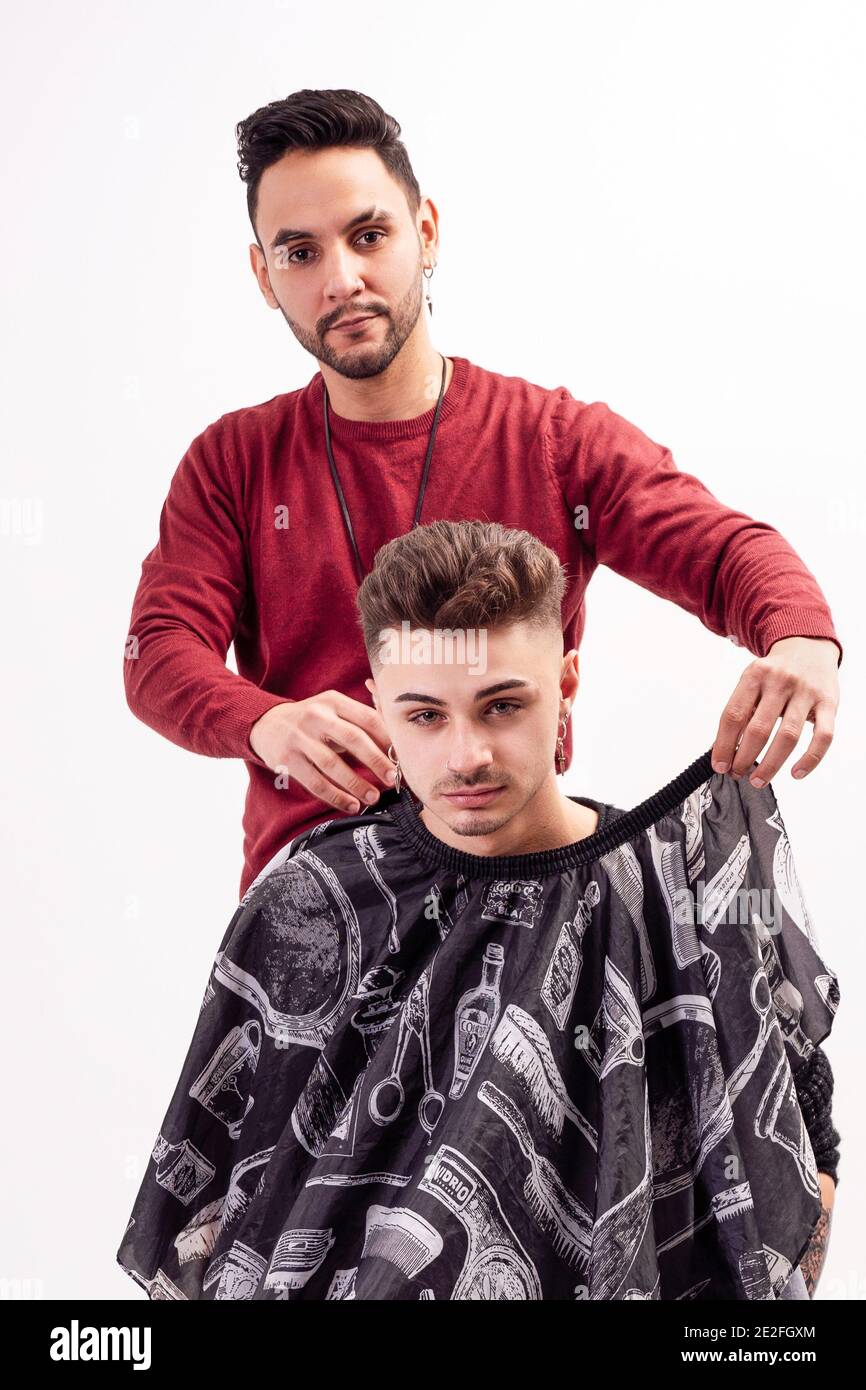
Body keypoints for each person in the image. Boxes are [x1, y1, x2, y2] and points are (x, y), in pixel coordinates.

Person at [122, 88, 843, 908]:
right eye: (300, 253)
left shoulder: (553, 439)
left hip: (518, 887)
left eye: (369, 235)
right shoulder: (235, 462)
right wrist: (263, 722)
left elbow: (723, 551)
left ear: (425, 232)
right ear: (263, 274)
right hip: (321, 903)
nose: (342, 279)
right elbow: (161, 649)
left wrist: (801, 640)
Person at [117, 521, 840, 1301]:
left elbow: (801, 1164)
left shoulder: (680, 886)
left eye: (500, 705)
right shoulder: (316, 897)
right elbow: (208, 1212)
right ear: (376, 703)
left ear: (565, 686)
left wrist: (805, 639)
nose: (466, 756)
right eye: (425, 715)